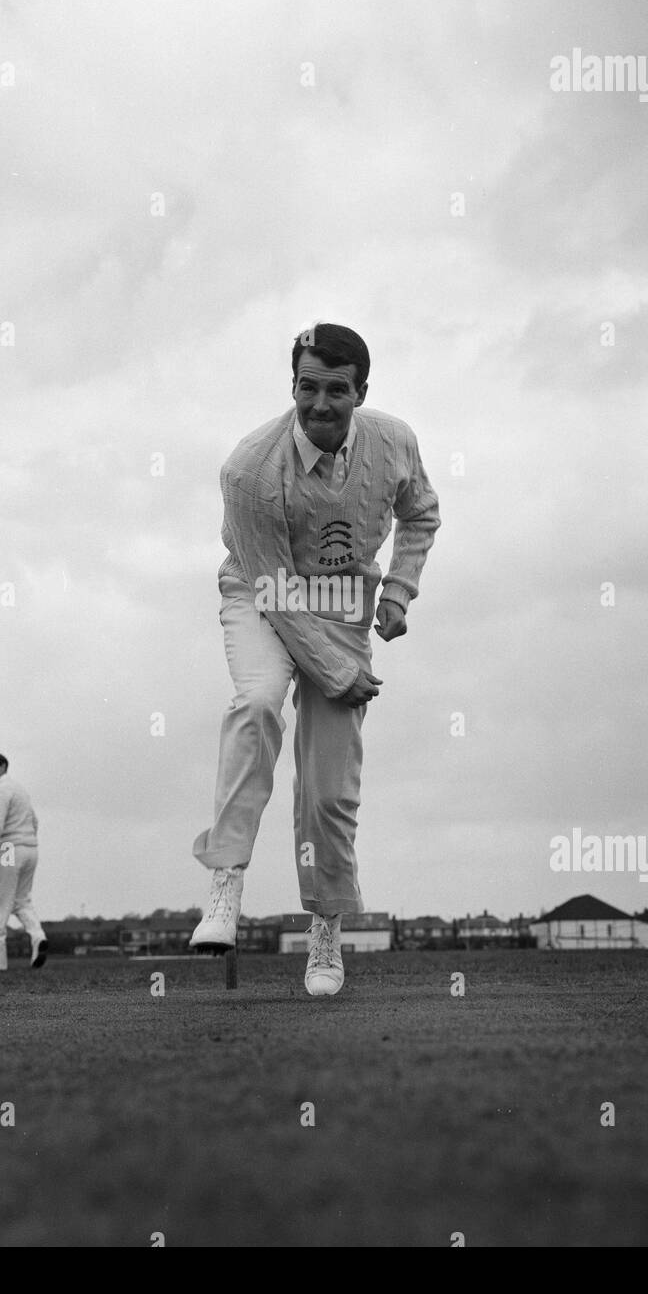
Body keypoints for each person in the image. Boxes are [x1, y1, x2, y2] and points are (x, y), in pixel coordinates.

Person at [190, 323, 440, 995]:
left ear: (361, 391)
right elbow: (273, 591)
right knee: (259, 700)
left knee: (327, 789)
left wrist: (397, 592)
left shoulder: (394, 442)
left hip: (340, 605)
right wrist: (336, 672)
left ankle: (325, 935)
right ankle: (225, 886)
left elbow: (421, 514)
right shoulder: (248, 471)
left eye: (336, 389)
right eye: (308, 387)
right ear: (291, 386)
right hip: (259, 591)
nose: (320, 404)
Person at [0, 752, 47, 972]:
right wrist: (27, 840)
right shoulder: (20, 789)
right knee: (22, 901)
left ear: (3, 766)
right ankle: (38, 937)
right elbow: (35, 820)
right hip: (30, 847)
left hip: (9, 847)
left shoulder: (0, 790)